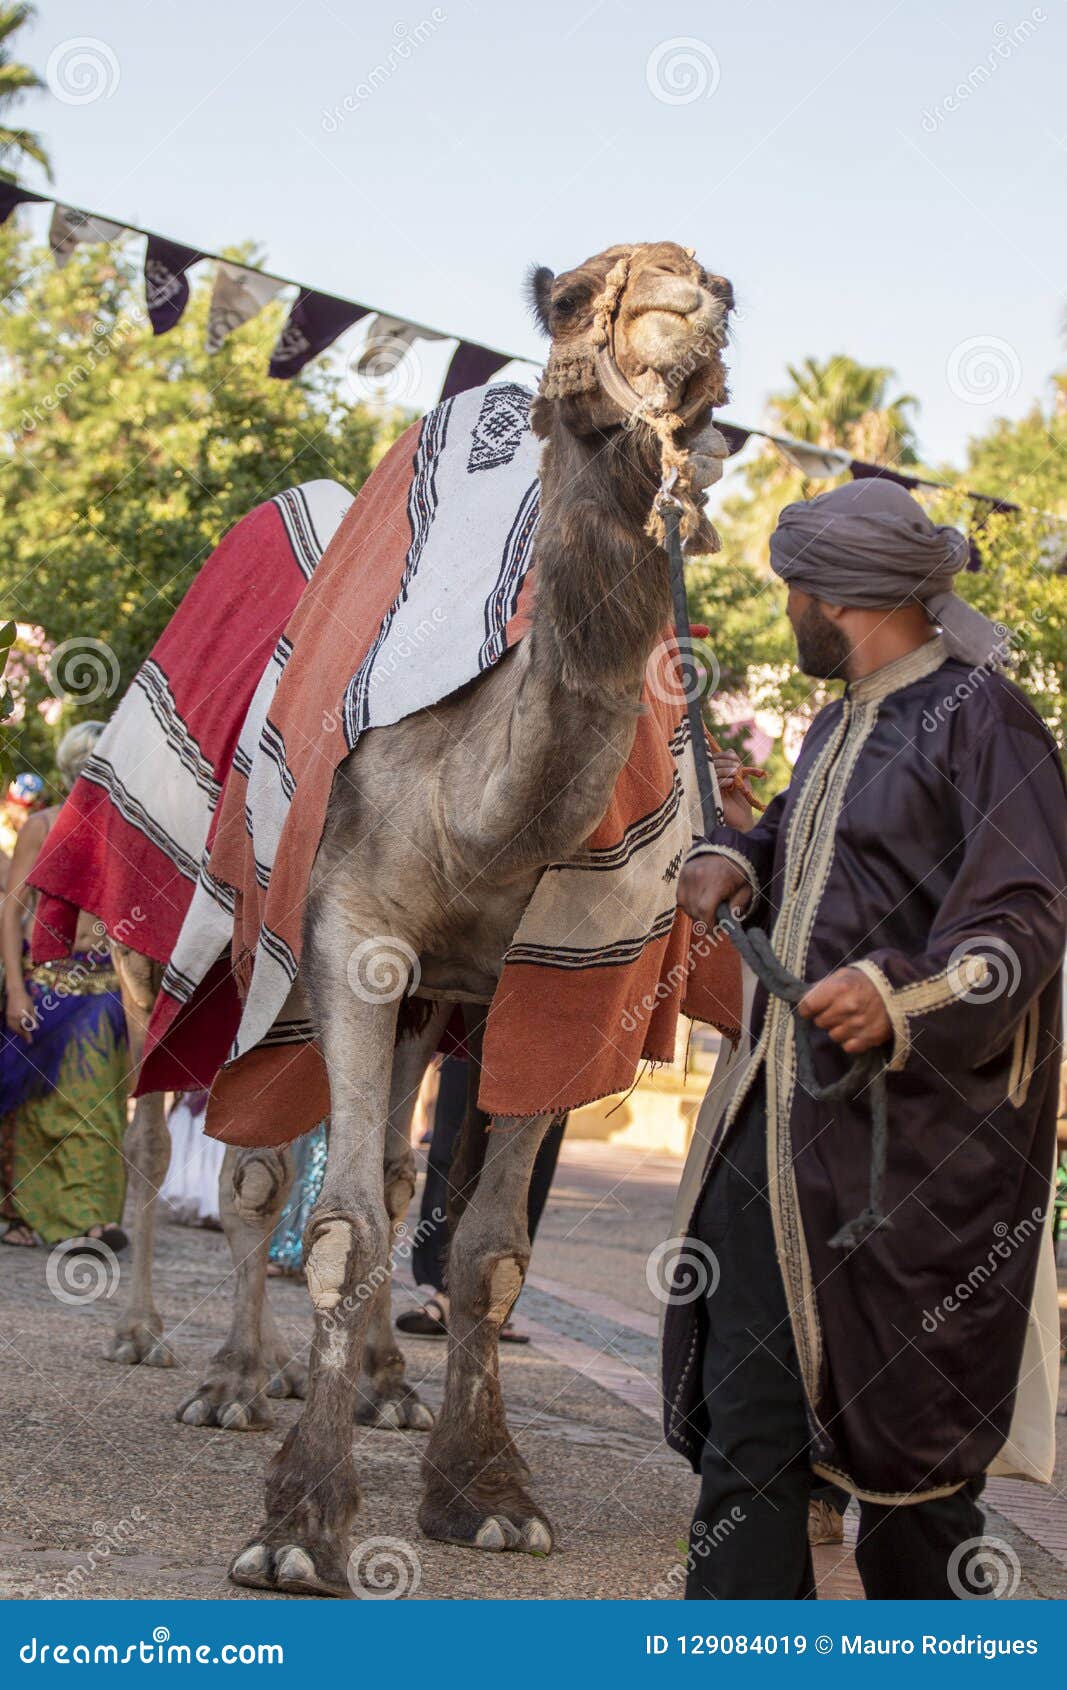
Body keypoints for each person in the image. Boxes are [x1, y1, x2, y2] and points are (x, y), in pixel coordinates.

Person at [664, 477, 1066, 1601]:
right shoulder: (845, 717)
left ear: (833, 597)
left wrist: (899, 997)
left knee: (911, 1480)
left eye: (792, 591)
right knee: (748, 1436)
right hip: (774, 1135)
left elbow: (1025, 918)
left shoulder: (986, 721)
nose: (787, 609)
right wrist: (736, 857)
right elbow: (811, 844)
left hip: (911, 1168)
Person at [0, 726, 129, 1251]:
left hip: (105, 990)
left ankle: (91, 1218)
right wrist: (16, 991)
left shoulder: (127, 829)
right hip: (47, 984)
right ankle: (34, 1214)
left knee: (98, 1110)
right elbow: (11, 911)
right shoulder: (42, 826)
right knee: (39, 1109)